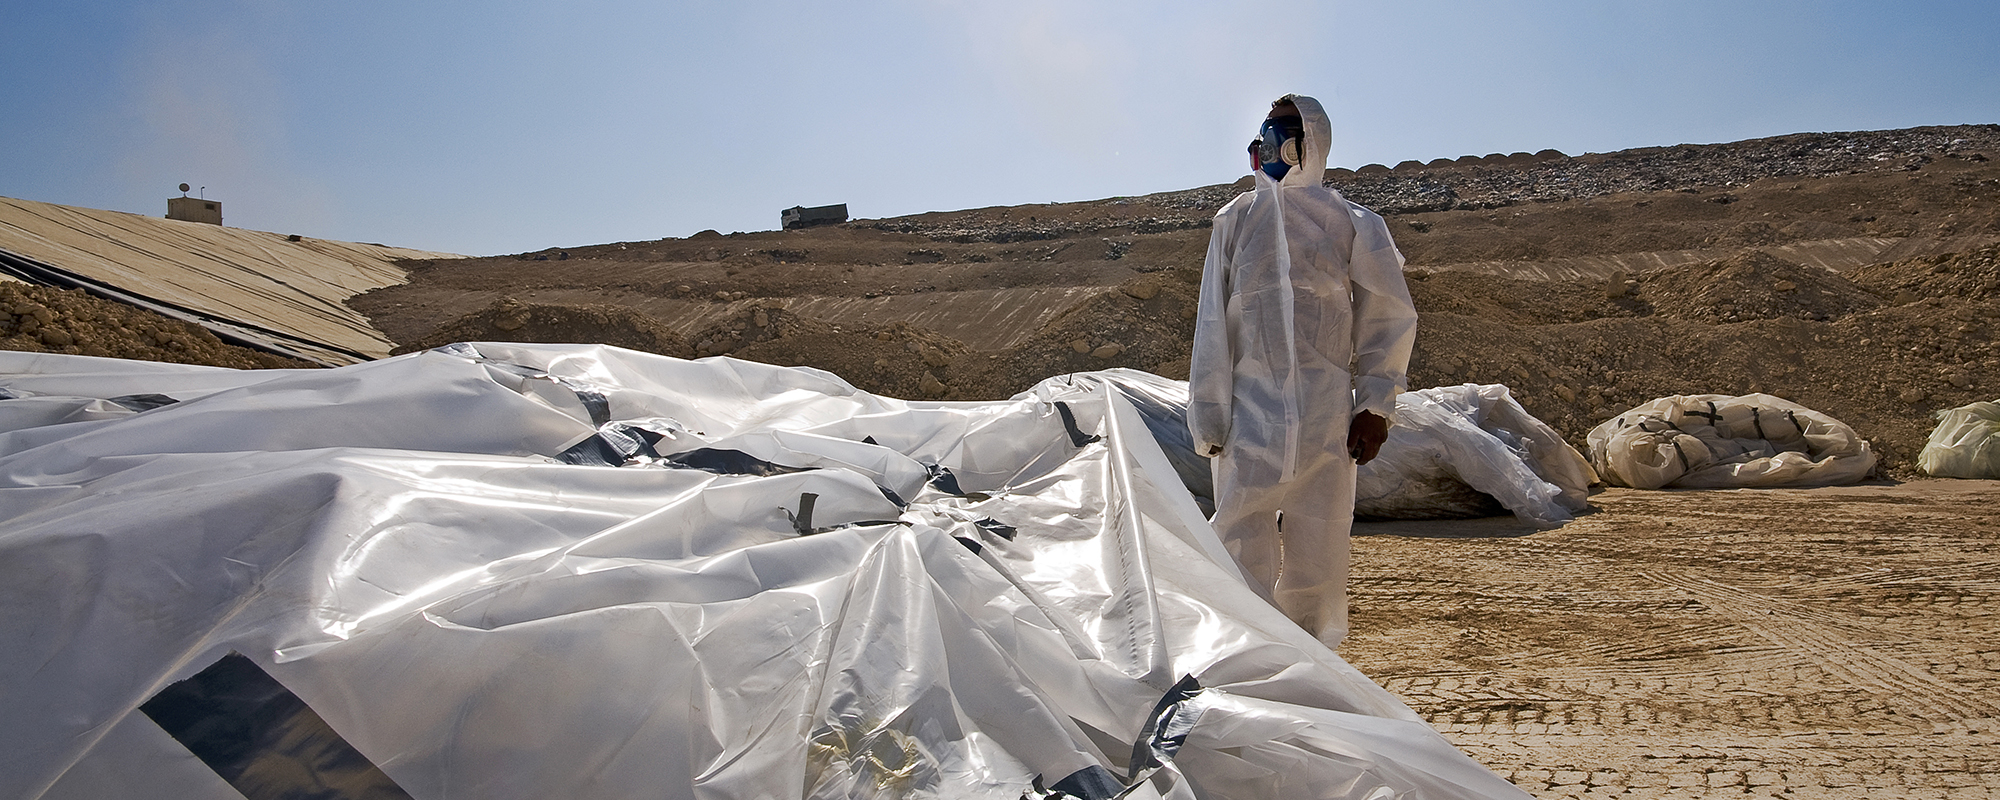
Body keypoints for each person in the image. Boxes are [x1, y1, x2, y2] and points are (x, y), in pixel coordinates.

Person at [1188, 93, 1419, 647]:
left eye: (1284, 133)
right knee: (1238, 540)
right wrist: (1210, 413)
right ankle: (1247, 656)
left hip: (1325, 419)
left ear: (1311, 143)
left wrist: (1376, 406)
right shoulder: (1235, 221)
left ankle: (1315, 653)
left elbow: (1387, 317)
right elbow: (1213, 322)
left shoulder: (1353, 224)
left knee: (1320, 546)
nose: (1271, 146)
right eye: (1265, 135)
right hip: (1250, 418)